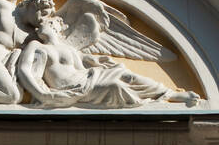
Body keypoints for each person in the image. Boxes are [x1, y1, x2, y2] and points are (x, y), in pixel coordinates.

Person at [16, 14, 200, 109]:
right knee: (114, 86)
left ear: (57, 28)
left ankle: (168, 94)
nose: (40, 26)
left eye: (47, 23)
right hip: (71, 87)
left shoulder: (70, 49)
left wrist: (97, 63)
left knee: (125, 74)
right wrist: (42, 94)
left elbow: (81, 67)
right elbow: (25, 70)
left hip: (87, 77)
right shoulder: (37, 46)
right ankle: (148, 101)